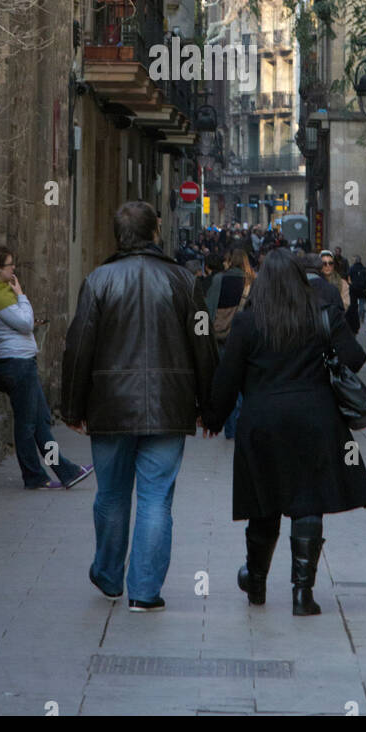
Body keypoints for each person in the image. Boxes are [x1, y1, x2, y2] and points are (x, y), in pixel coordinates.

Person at [61, 201, 218, 611]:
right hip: (170, 406)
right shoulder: (185, 281)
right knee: (156, 499)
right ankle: (145, 593)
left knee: (111, 495)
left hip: (110, 407)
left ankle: (109, 576)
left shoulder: (98, 281)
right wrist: (210, 404)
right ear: (155, 231)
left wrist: (72, 407)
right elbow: (204, 345)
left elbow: (79, 347)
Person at [203, 249, 366, 616]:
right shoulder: (322, 315)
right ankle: (302, 593)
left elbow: (228, 378)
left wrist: (214, 418)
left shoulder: (248, 324)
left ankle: (257, 582)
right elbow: (355, 359)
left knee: (263, 503)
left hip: (262, 422)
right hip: (315, 419)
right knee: (308, 501)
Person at [0, 245, 93, 492]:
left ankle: (65, 471)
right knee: (27, 425)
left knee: (40, 421)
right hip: (16, 364)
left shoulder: (0, 293)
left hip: (22, 363)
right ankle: (34, 476)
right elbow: (25, 324)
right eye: (9, 265)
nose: (14, 268)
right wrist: (22, 295)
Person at [206, 249, 255, 439]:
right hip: (245, 336)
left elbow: (208, 309)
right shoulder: (252, 282)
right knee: (244, 379)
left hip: (222, 336)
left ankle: (230, 428)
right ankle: (242, 423)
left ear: (229, 262)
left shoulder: (219, 280)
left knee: (226, 377)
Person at [320, 249, 360, 333]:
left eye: (330, 263)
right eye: (324, 263)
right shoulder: (315, 281)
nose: (327, 266)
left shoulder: (342, 283)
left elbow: (345, 304)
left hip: (336, 323)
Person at [349, 256, 366, 326]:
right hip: (362, 289)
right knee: (362, 303)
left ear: (355, 261)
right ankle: (361, 316)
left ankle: (355, 316)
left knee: (353, 303)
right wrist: (365, 286)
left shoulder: (351, 268)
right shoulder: (364, 269)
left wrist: (351, 285)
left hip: (353, 288)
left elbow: (349, 277)